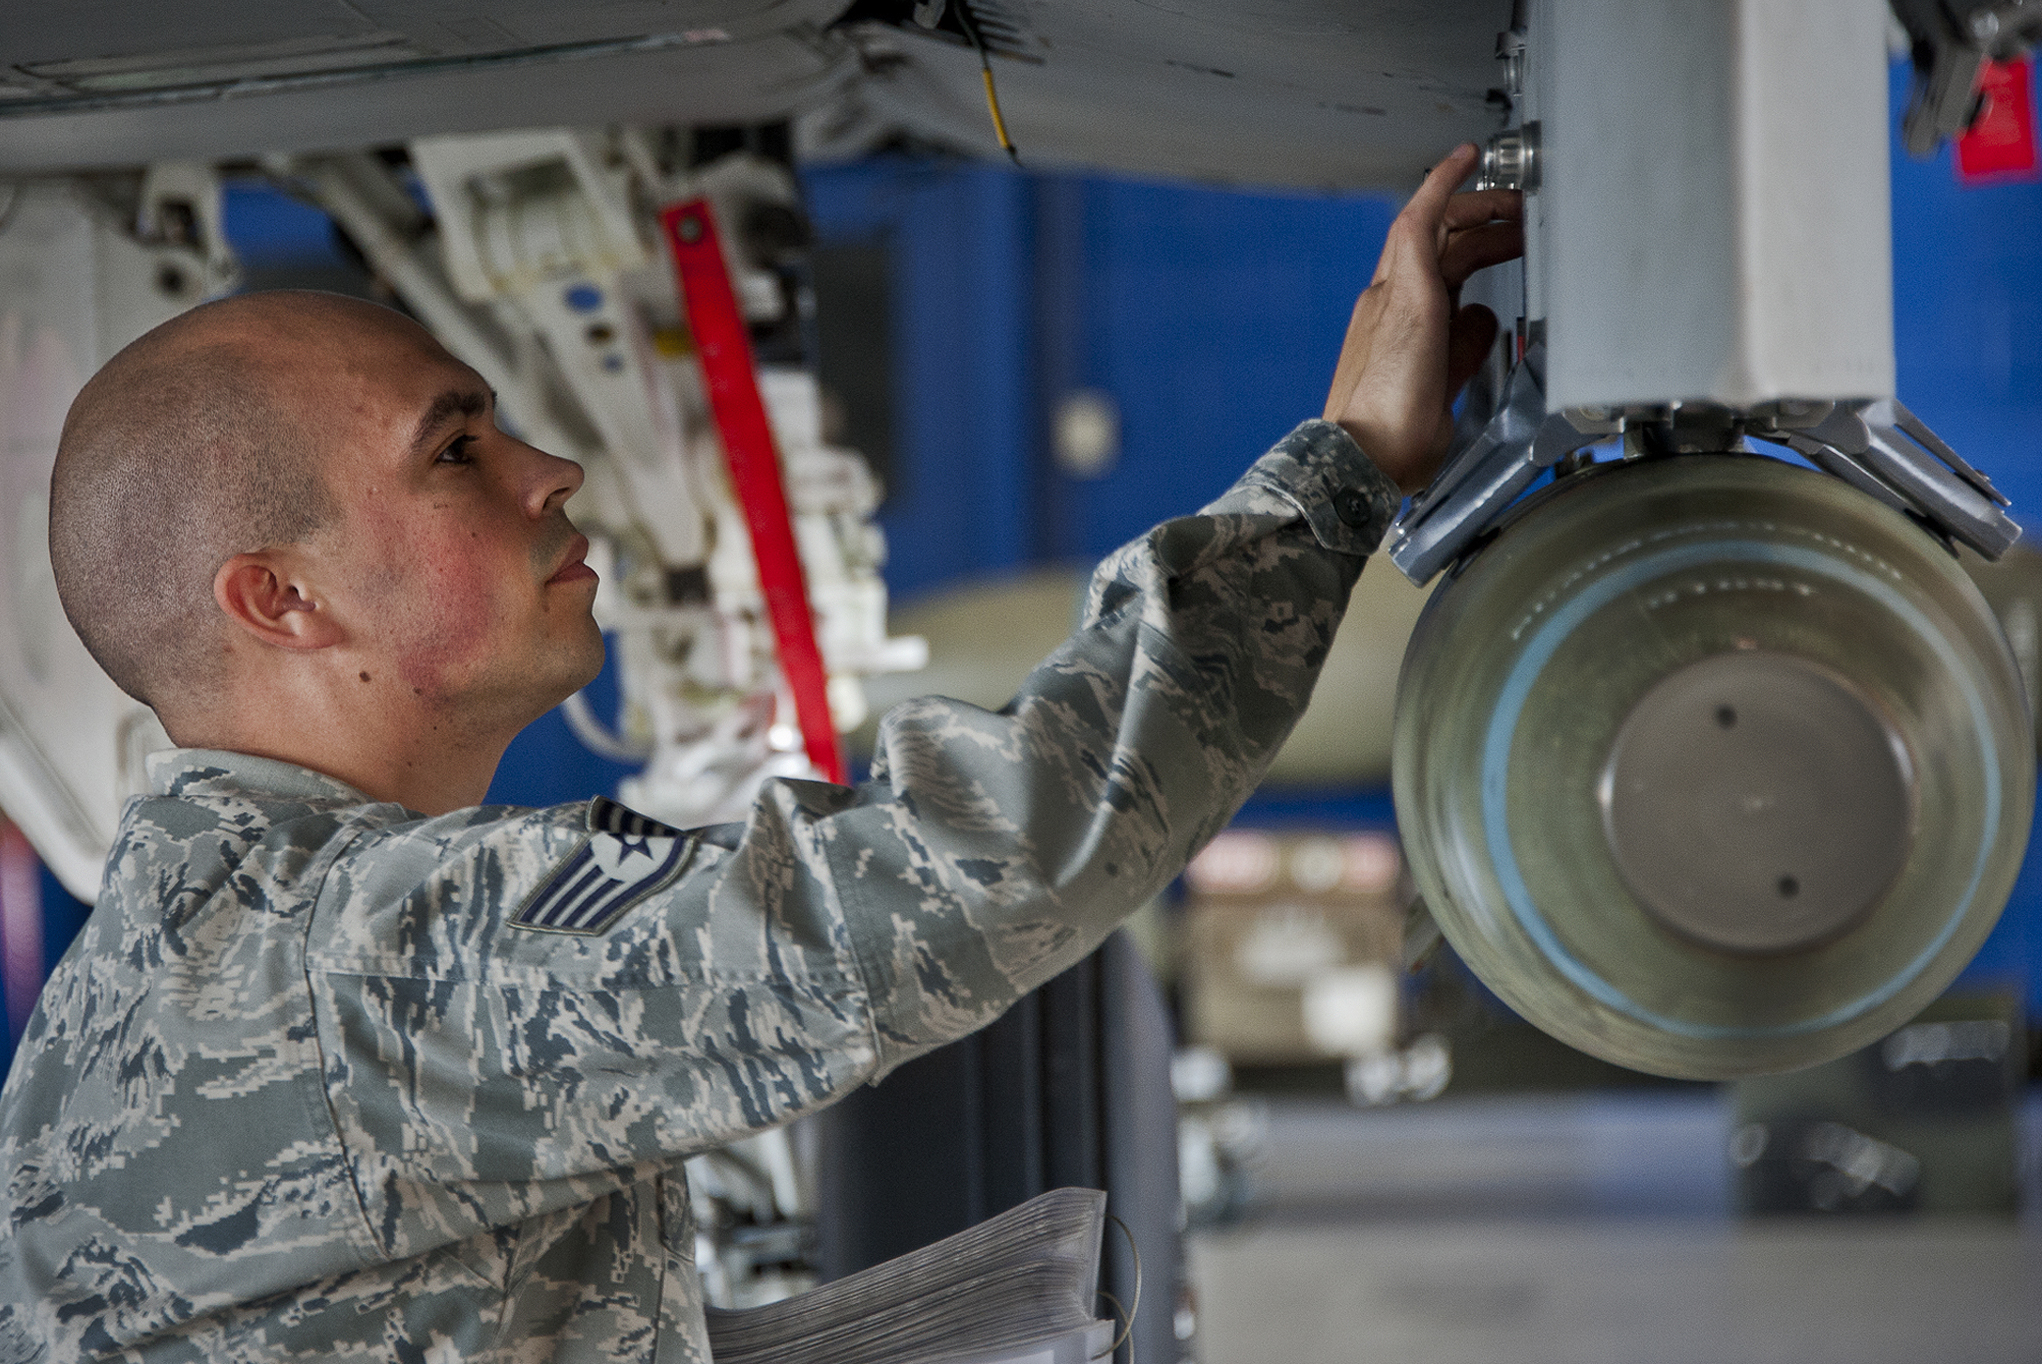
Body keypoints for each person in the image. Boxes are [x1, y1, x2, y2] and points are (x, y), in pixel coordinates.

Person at [0, 146, 1520, 1359]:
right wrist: (1345, 471)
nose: (550, 471)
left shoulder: (159, 978)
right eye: (456, 450)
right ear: (281, 599)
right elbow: (978, 867)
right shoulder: (366, 965)